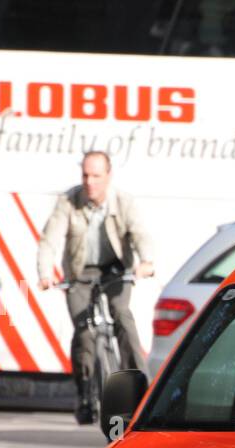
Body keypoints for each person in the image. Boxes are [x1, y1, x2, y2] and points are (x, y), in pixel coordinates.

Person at [38, 151, 155, 424]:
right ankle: (85, 396)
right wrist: (45, 274)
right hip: (80, 273)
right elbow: (49, 239)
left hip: (115, 269)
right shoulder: (69, 201)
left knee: (122, 316)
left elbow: (140, 234)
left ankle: (145, 396)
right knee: (84, 332)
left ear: (108, 176)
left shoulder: (123, 202)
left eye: (96, 176)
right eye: (85, 175)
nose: (90, 182)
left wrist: (146, 262)